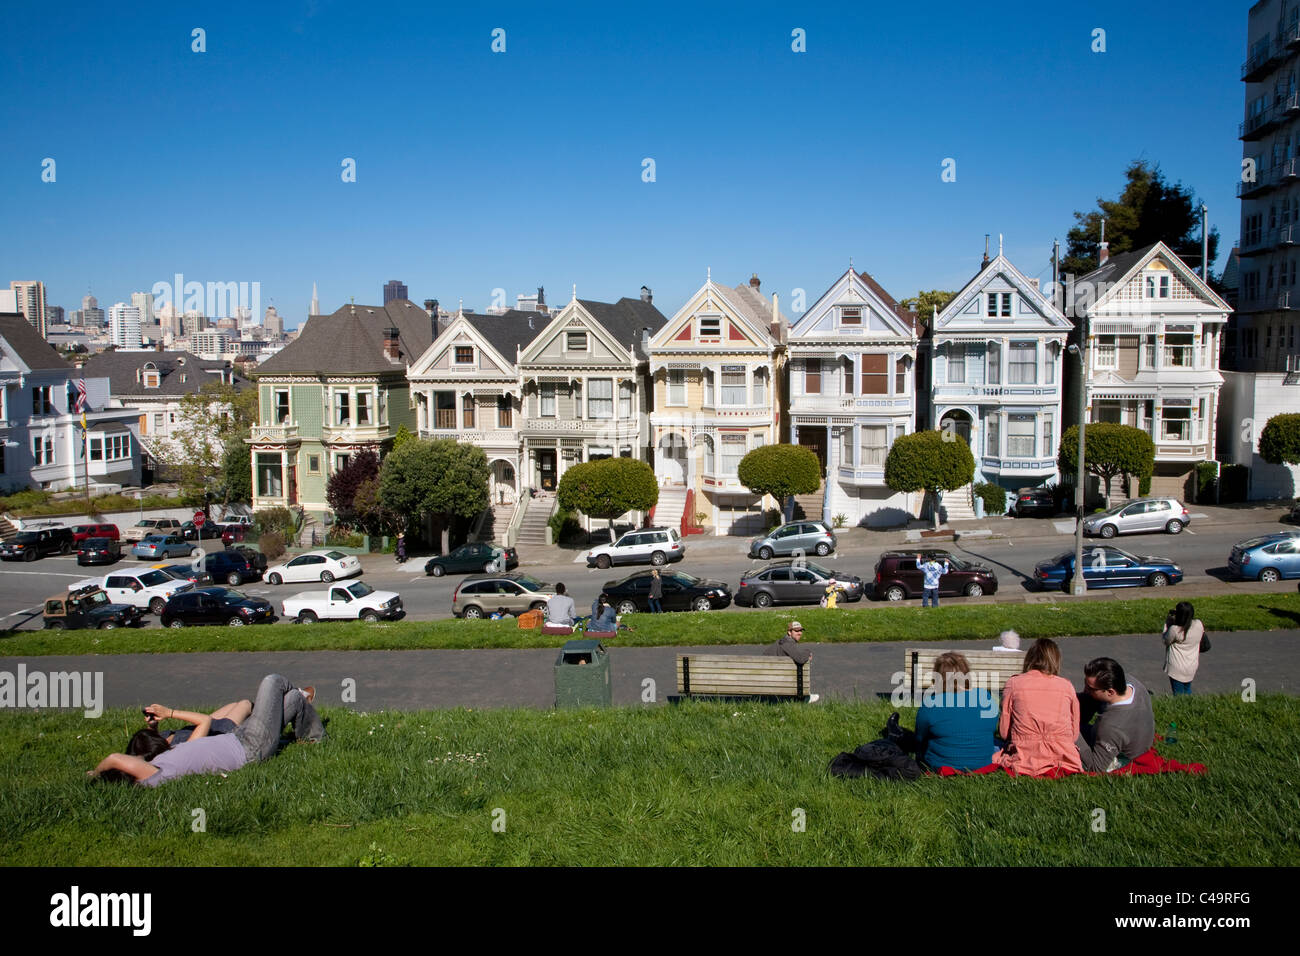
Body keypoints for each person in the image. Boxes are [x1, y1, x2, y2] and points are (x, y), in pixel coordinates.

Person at [91, 675, 324, 786]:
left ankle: (309, 734)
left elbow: (199, 724)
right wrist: (93, 772)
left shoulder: (166, 762)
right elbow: (114, 758)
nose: (136, 759)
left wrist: (154, 726)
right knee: (272, 681)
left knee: (293, 698)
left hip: (239, 736)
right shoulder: (152, 776)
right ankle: (315, 736)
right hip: (251, 746)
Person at [992, 638, 1083, 775]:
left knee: (990, 745)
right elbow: (1074, 734)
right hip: (1063, 756)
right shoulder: (1066, 686)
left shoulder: (1014, 683)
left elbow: (1004, 732)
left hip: (1024, 755)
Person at [914, 652, 1000, 772]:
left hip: (941, 763)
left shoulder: (931, 703)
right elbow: (992, 727)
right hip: (983, 762)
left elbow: (920, 738)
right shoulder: (985, 696)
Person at [1076, 657, 1155, 773]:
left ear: (1110, 692)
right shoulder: (1130, 682)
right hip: (1135, 737)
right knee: (1089, 700)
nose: (1085, 689)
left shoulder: (1111, 726)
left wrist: (1072, 731)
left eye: (1090, 688)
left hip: (1121, 757)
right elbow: (1089, 698)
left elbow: (1096, 768)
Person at [763, 620, 819, 702]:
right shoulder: (787, 644)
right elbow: (800, 659)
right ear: (789, 632)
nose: (799, 633)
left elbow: (764, 655)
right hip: (778, 680)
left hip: (767, 678)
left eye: (800, 630)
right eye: (796, 631)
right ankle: (805, 698)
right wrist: (808, 652)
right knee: (799, 668)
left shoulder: (780, 642)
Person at [1162, 601, 1203, 695]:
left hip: (1176, 667)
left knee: (1178, 694)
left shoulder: (1175, 630)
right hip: (1191, 665)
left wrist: (1167, 624)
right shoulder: (1199, 624)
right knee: (1187, 689)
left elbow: (1165, 640)